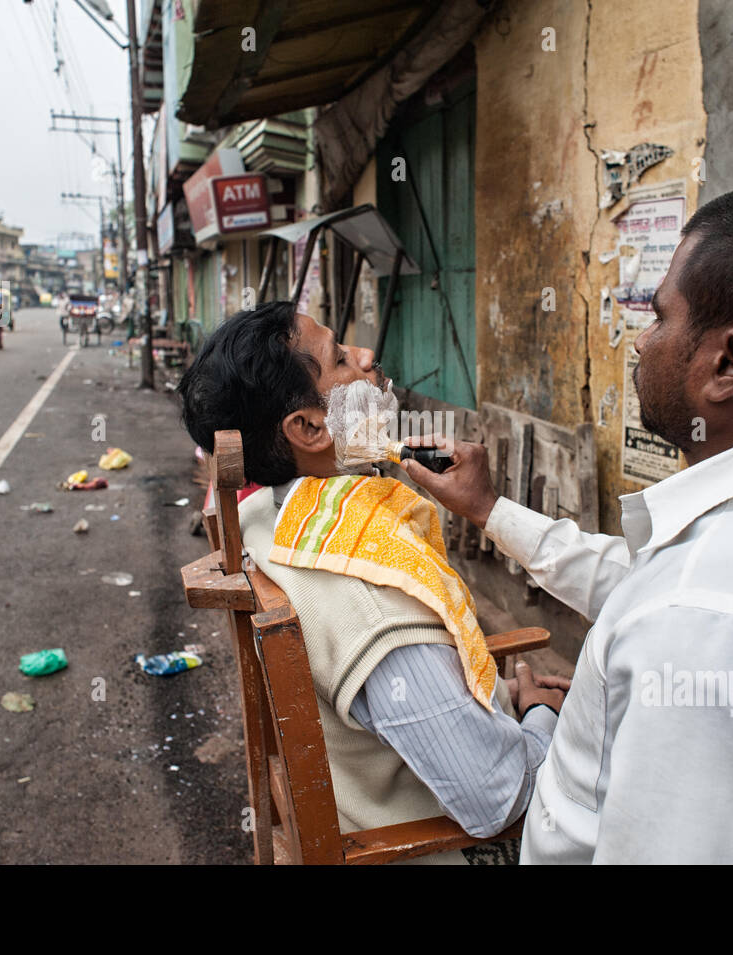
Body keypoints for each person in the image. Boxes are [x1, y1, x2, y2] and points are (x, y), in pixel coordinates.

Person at [402, 182, 733, 864]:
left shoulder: (708, 631)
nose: (642, 341)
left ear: (726, 363)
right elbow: (640, 583)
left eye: (659, 317)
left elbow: (694, 619)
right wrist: (487, 510)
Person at [179, 301, 569, 863]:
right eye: (341, 358)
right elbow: (497, 799)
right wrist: (538, 715)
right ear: (310, 428)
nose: (366, 356)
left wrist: (489, 702)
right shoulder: (374, 599)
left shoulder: (269, 511)